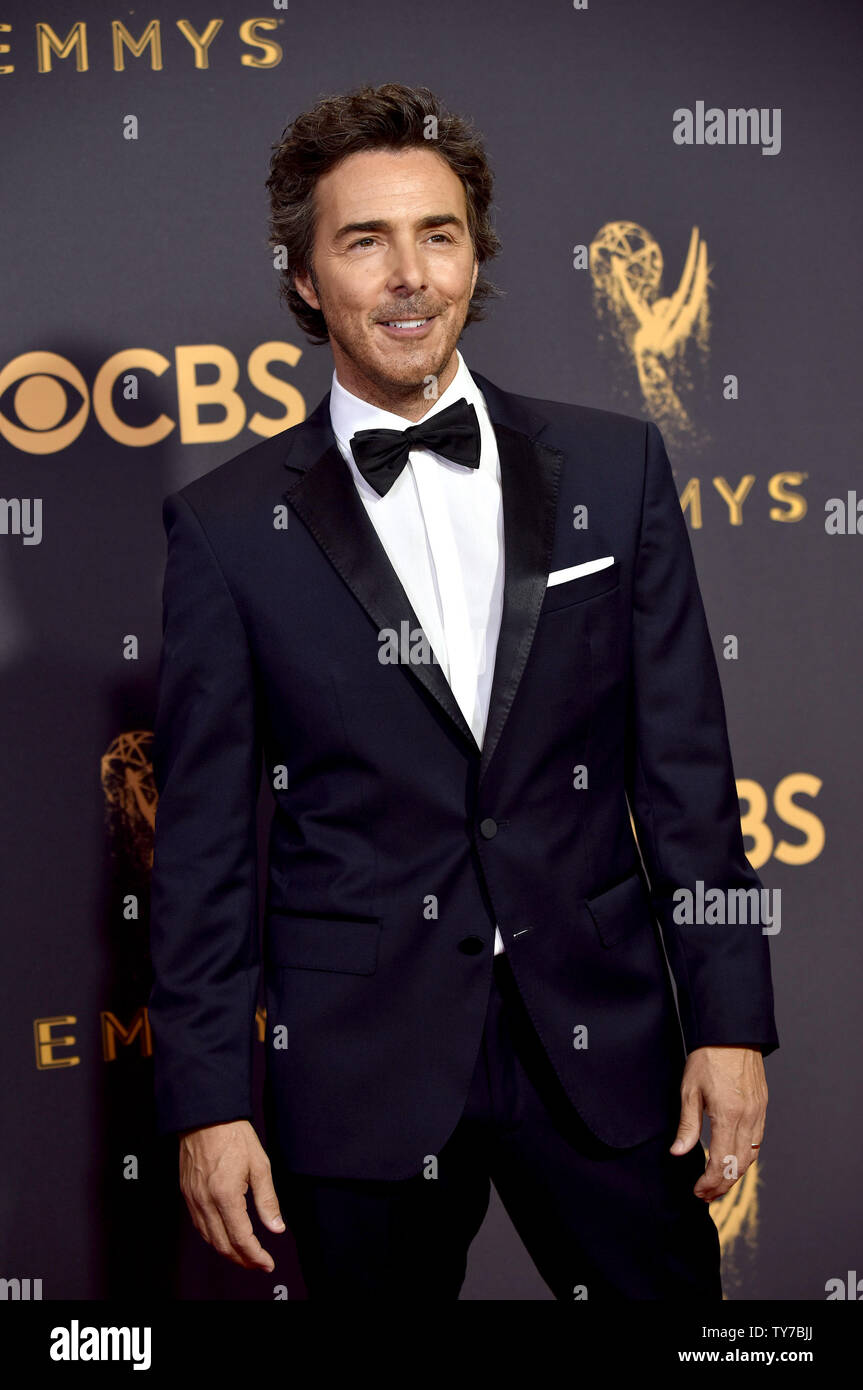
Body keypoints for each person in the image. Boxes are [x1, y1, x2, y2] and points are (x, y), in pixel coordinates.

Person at [148, 82, 778, 1301]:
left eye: (436, 235)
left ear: (472, 256)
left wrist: (730, 1019)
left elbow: (689, 780)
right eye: (364, 240)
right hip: (359, 1065)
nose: (407, 276)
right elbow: (207, 855)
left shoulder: (614, 465)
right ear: (302, 276)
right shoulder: (225, 531)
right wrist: (209, 1098)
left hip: (601, 1048)